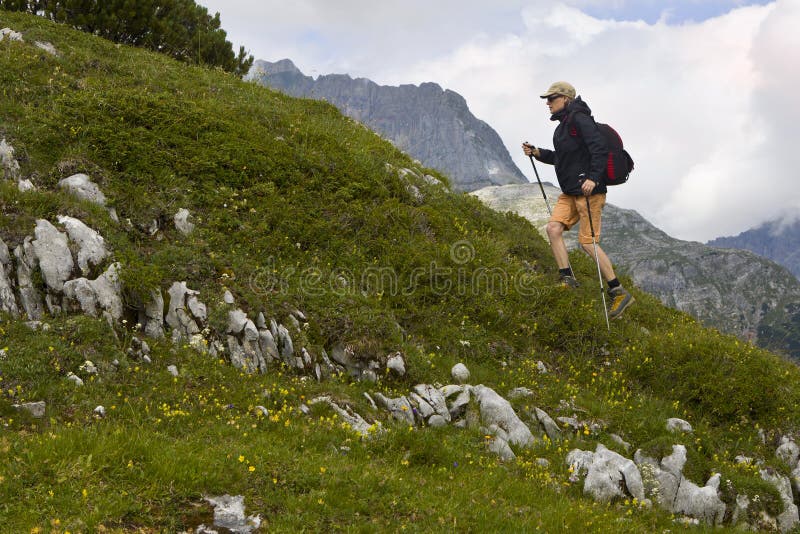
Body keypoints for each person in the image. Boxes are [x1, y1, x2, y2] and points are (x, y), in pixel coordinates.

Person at [522, 81, 633, 320]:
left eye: (551, 98)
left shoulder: (580, 119)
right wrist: (537, 152)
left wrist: (593, 178)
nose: (547, 103)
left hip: (588, 192)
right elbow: (561, 159)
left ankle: (618, 290)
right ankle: (567, 279)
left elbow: (599, 148)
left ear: (565, 98)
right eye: (547, 99)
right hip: (571, 192)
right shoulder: (562, 128)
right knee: (553, 228)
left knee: (587, 243)